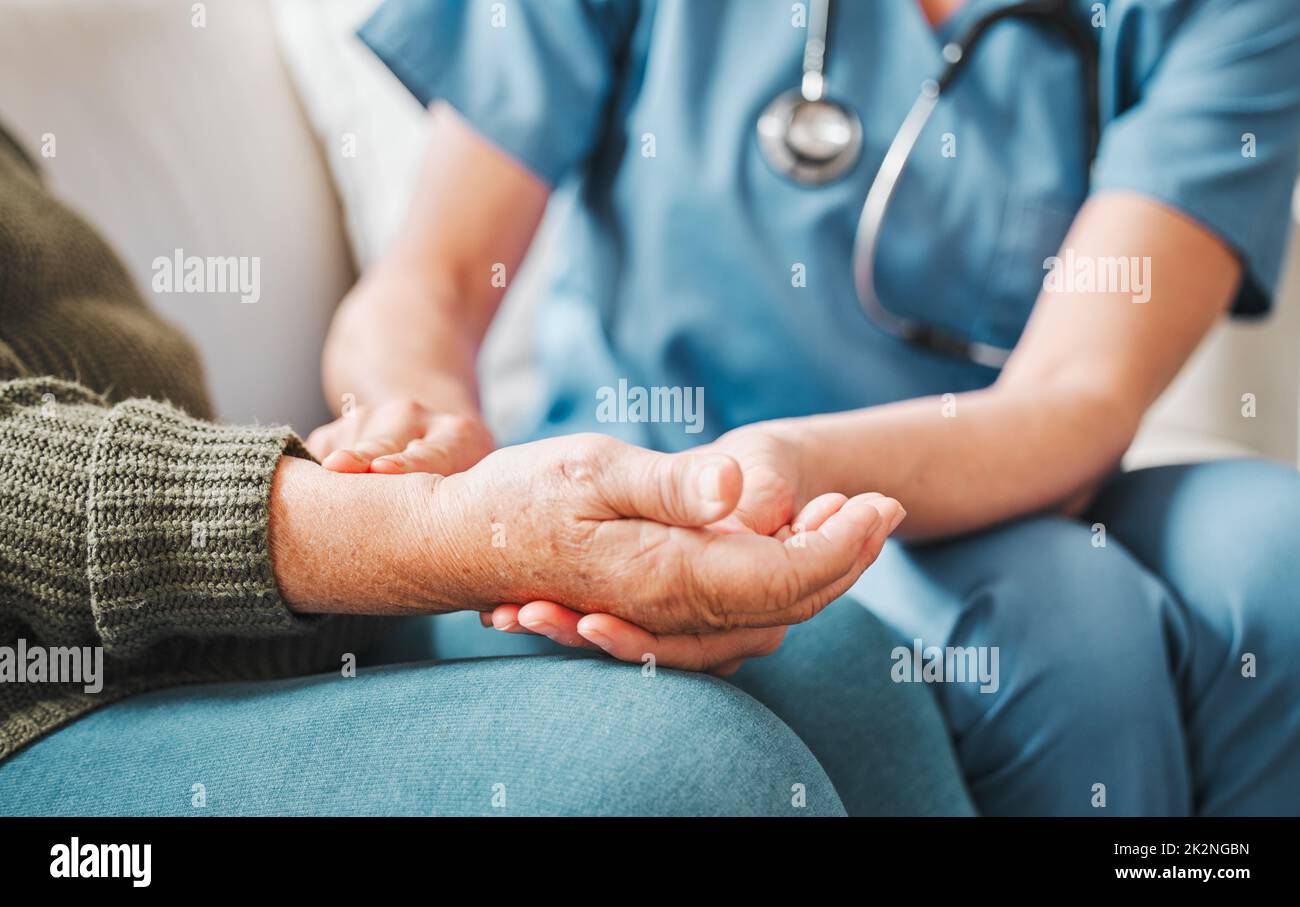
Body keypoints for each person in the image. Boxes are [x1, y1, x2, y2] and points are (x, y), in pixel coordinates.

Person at [313, 0, 1300, 815]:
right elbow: (424, 287)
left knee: (1275, 555)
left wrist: (766, 474)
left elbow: (1076, 394)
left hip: (981, 482)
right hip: (617, 475)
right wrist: (444, 470)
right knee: (1055, 624)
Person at [0, 121, 973, 816]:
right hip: (36, 702)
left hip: (206, 620)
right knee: (684, 776)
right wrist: (436, 529)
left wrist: (376, 467)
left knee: (832, 655)